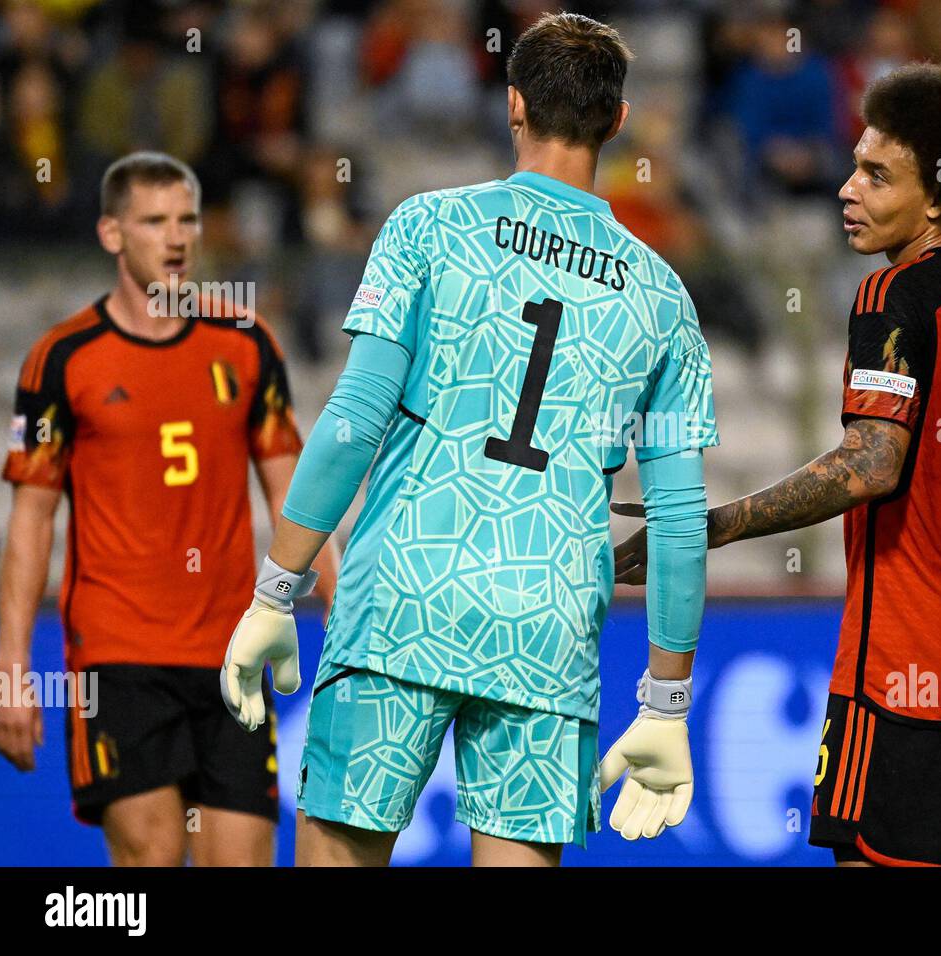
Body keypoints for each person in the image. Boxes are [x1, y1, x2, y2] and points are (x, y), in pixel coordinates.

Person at [221, 12, 719, 867]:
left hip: (406, 595)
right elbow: (678, 519)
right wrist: (667, 703)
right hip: (548, 621)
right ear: (618, 121)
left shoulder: (428, 226)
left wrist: (277, 589)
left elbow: (355, 415)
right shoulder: (663, 294)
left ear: (513, 105)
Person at [614, 63, 941, 867]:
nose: (846, 188)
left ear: (936, 198)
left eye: (875, 174)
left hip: (903, 666)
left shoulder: (893, 295)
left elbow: (870, 466)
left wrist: (709, 526)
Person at [0, 151, 338, 865]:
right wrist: (13, 668)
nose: (176, 237)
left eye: (185, 218)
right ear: (112, 234)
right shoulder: (62, 360)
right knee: (150, 860)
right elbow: (31, 521)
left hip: (232, 657)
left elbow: (294, 497)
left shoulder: (245, 344)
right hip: (116, 659)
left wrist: (345, 630)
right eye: (154, 221)